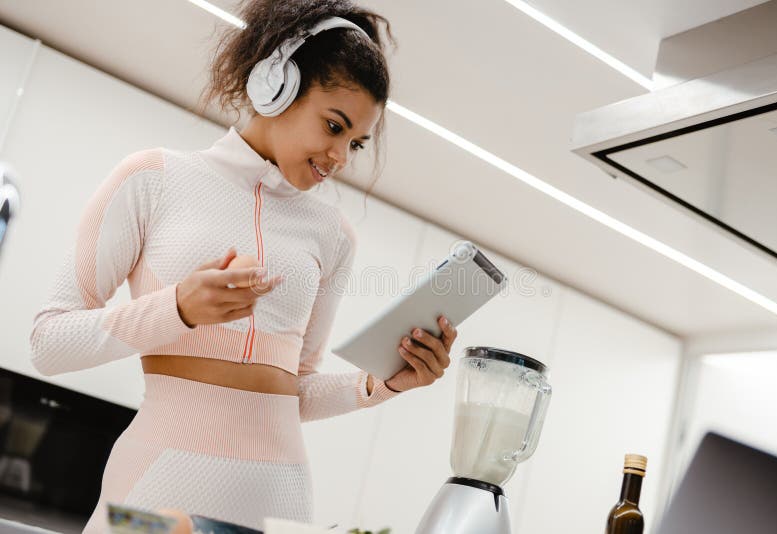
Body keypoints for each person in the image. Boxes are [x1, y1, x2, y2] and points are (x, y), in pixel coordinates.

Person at [28, 1, 458, 531]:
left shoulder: (333, 236)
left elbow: (294, 389)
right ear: (275, 84)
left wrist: (380, 385)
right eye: (332, 125)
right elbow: (49, 343)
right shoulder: (152, 179)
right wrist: (177, 309)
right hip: (159, 481)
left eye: (355, 142)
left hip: (282, 499)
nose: (340, 157)